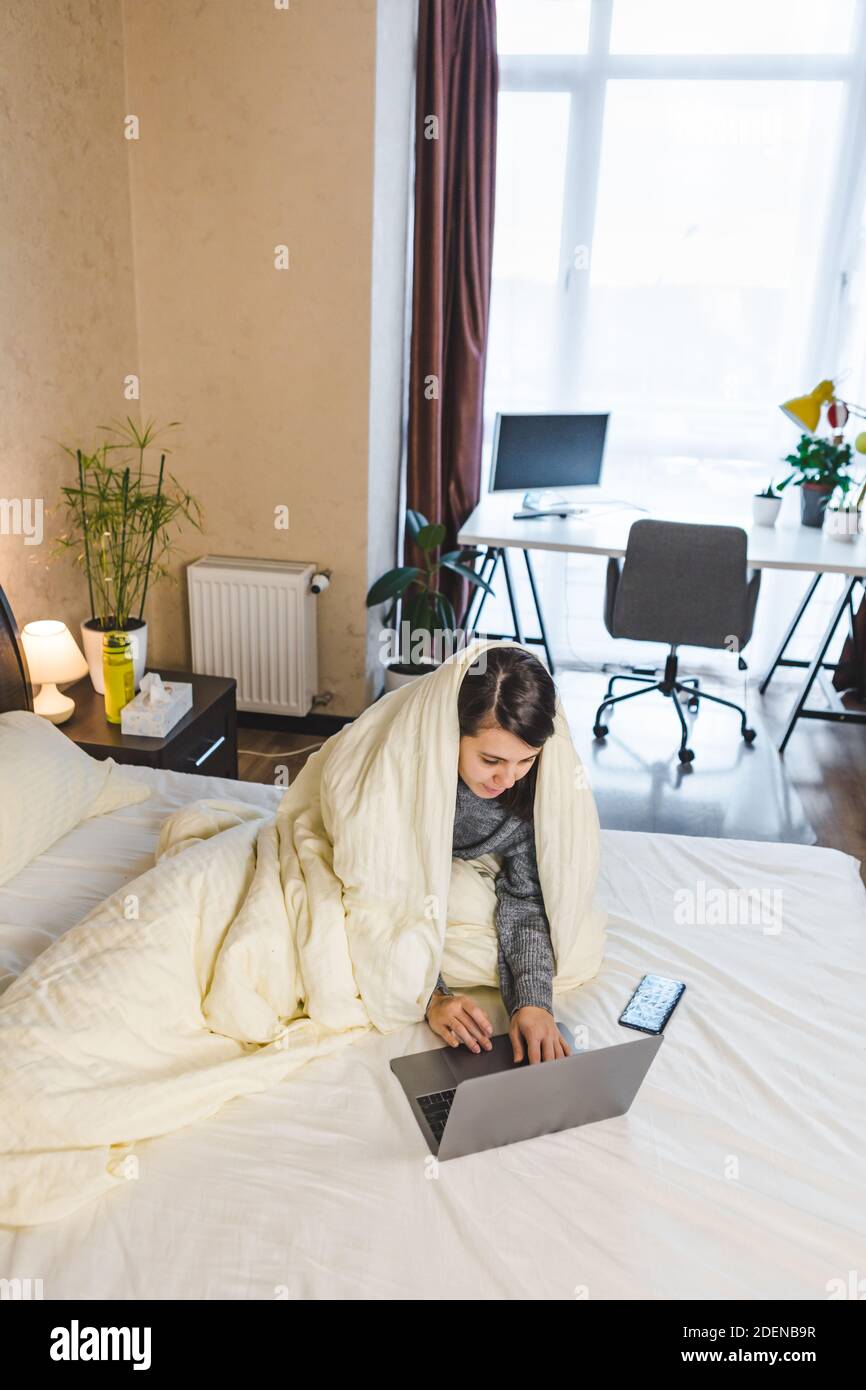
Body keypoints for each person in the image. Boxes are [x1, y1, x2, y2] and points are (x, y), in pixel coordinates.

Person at [425, 644, 573, 1066]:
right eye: (490, 759)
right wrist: (432, 996)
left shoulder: (531, 789)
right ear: (452, 733)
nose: (507, 778)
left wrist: (533, 1001)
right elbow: (382, 895)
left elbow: (526, 898)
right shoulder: (410, 777)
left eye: (525, 760)